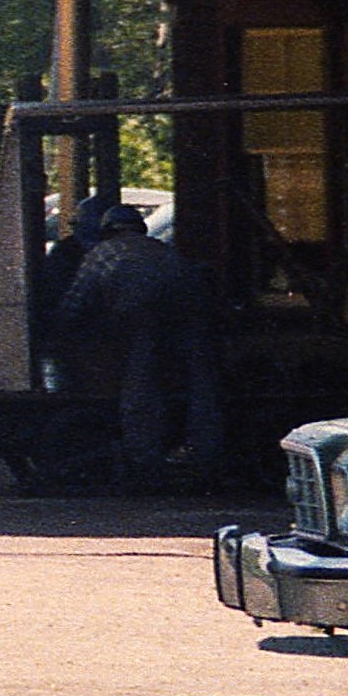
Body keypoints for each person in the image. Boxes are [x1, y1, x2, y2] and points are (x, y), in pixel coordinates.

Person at [58, 202, 223, 489]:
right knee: (200, 389)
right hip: (190, 318)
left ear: (107, 230)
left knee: (141, 392)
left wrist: (60, 330)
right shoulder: (163, 250)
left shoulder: (101, 254)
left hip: (139, 320)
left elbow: (75, 303)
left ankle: (145, 461)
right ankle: (205, 455)